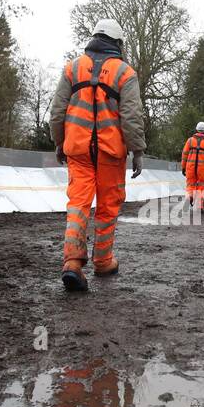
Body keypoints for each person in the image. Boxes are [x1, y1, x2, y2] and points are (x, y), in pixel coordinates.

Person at [49, 18, 146, 292]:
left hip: (78, 150)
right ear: (118, 43)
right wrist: (137, 150)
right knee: (107, 207)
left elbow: (57, 111)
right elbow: (131, 117)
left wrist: (59, 141)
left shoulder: (73, 68)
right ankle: (103, 262)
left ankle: (72, 264)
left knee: (78, 204)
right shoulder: (125, 73)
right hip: (110, 153)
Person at [181, 121, 204, 211]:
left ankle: (189, 197)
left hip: (190, 167)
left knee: (190, 185)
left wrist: (183, 167)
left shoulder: (190, 140)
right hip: (202, 169)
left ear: (196, 130)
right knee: (201, 186)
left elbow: (184, 154)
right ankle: (201, 206)